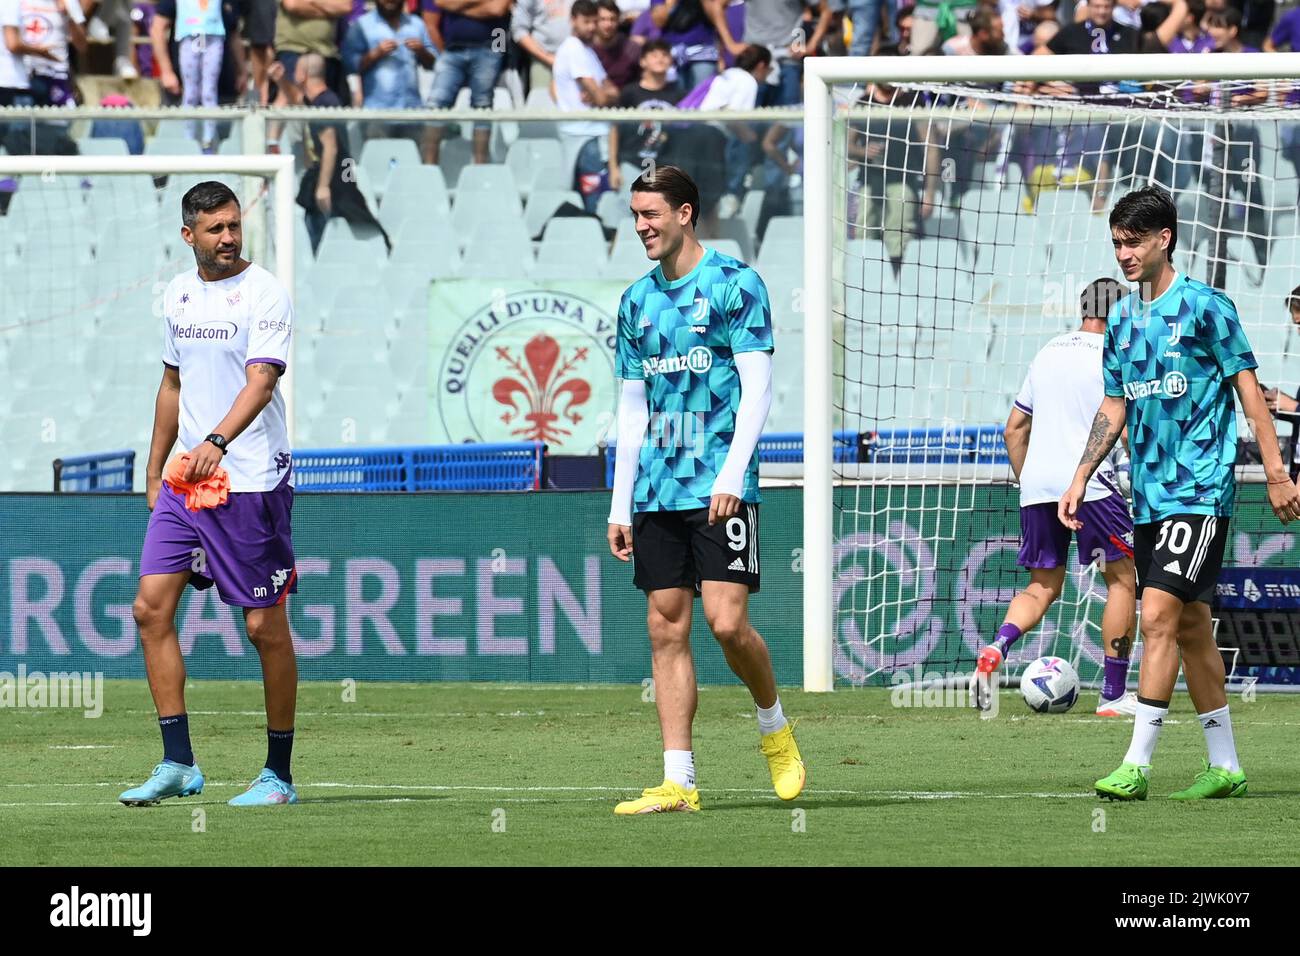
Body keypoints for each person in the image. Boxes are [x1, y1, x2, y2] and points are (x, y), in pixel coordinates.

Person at [1060, 186, 1300, 801]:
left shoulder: (1206, 308)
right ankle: (1226, 764)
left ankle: (1136, 765)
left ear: (1164, 239)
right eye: (1116, 242)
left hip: (1200, 491)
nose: (1124, 253)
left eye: (1133, 240)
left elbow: (1250, 391)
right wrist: (1081, 474)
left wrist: (1275, 470)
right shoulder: (1120, 318)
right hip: (1149, 497)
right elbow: (1114, 405)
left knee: (1158, 615)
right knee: (1192, 626)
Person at [608, 165, 805, 814]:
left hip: (721, 486)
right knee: (665, 629)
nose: (640, 227)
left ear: (685, 213)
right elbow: (632, 409)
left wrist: (732, 474)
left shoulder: (734, 285)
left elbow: (759, 388)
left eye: (651, 215)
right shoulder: (636, 302)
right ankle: (678, 781)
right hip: (657, 492)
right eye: (635, 215)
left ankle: (773, 725)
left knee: (726, 623)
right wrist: (620, 502)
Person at [119, 181, 300, 809]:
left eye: (234, 225)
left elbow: (261, 379)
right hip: (185, 482)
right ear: (188, 234)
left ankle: (278, 773)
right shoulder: (178, 294)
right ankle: (178, 763)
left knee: (262, 627)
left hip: (248, 478)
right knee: (150, 610)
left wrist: (218, 441)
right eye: (215, 229)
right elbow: (172, 383)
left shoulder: (265, 291)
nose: (228, 238)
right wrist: (154, 469)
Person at [974, 277, 1138, 717]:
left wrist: (1030, 482)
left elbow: (1014, 428)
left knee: (1041, 586)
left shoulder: (1048, 351)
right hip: (1090, 483)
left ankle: (997, 646)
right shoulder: (1116, 354)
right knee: (1122, 579)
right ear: (1120, 311)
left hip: (1039, 485)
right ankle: (1114, 695)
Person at [273, 53, 389, 252]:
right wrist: (281, 80)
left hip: (335, 180)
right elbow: (296, 100)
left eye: (296, 71)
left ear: (303, 74)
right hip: (326, 176)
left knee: (339, 231)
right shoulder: (317, 100)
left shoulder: (326, 102)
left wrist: (323, 186)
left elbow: (330, 146)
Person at [420, 0, 511, 165]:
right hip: (451, 51)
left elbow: (497, 9)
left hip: (491, 47)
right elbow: (439, 4)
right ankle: (428, 168)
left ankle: (480, 169)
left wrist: (457, 7)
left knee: (482, 108)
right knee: (435, 106)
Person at [553, 0, 619, 211]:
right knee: (595, 205)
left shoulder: (588, 51)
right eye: (586, 22)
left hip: (594, 135)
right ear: (573, 21)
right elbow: (601, 98)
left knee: (600, 202)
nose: (592, 27)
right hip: (582, 137)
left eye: (594, 22)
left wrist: (603, 95)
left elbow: (614, 92)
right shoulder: (573, 49)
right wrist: (603, 95)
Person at [343, 0, 435, 140]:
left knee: (411, 161)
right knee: (377, 160)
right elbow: (351, 65)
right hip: (376, 113)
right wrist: (376, 53)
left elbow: (434, 64)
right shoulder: (361, 25)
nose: (389, 2)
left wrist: (421, 51)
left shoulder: (416, 24)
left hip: (412, 112)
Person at [608, 37, 682, 190]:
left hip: (666, 168)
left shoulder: (679, 95)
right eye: (654, 55)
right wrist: (613, 167)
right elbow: (614, 129)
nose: (660, 59)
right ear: (642, 61)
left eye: (665, 55)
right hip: (631, 164)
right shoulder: (630, 92)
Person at [18, 0, 85, 107]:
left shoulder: (69, 2)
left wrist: (68, 16)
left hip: (56, 77)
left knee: (57, 122)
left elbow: (82, 46)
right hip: (22, 77)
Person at [594, 0, 639, 87]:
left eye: (612, 19)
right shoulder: (586, 49)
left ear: (618, 20)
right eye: (602, 19)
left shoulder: (632, 48)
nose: (608, 24)